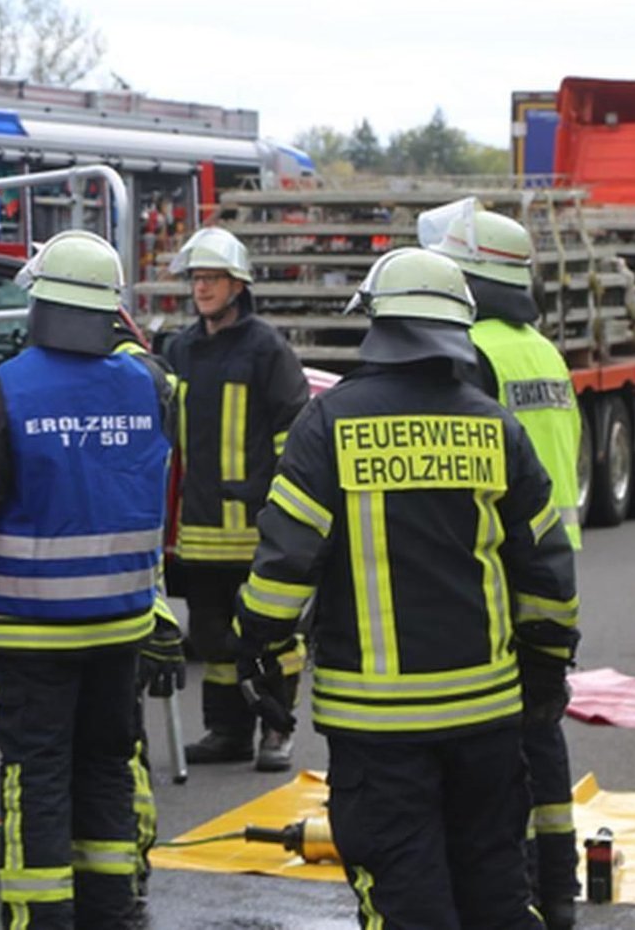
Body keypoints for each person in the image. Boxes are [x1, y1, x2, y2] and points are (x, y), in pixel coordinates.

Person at [233, 247, 579, 930]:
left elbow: (282, 570)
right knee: (497, 890)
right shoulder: (494, 426)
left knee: (409, 896)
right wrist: (544, 664)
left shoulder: (329, 425)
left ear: (378, 322)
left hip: (377, 729)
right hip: (486, 719)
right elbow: (546, 570)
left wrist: (263, 655)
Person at [0, 230, 175, 929]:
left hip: (35, 633)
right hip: (122, 625)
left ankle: (42, 916)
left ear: (40, 304)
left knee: (36, 776)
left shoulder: (9, 389)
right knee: (103, 768)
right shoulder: (146, 384)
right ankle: (108, 906)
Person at [420, 198, 585, 927]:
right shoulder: (540, 348)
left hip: (502, 563)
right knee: (543, 727)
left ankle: (512, 886)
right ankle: (558, 882)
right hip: (557, 559)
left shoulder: (475, 350)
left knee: (499, 739)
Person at [162, 225, 311, 770]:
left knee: (268, 636)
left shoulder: (266, 349)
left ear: (238, 284)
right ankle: (227, 732)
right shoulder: (180, 349)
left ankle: (277, 730)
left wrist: (267, 497)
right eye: (196, 279)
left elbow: (293, 433)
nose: (201, 288)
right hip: (198, 529)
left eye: (212, 279)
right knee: (211, 637)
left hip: (255, 527)